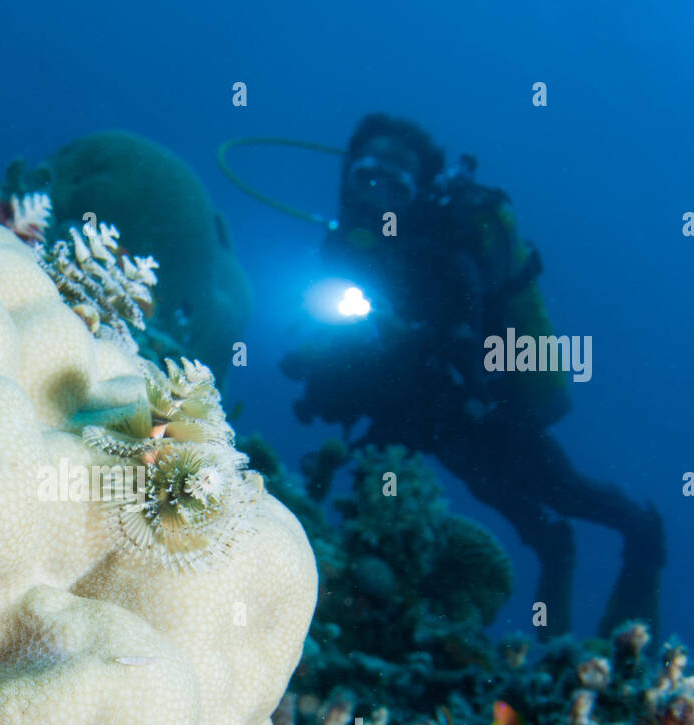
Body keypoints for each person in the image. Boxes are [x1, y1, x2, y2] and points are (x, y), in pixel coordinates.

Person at [282, 113, 665, 637]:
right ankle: (552, 627)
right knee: (535, 525)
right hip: (421, 424)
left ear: (417, 192)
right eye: (367, 177)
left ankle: (642, 540)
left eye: (395, 184)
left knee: (568, 495)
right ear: (347, 175)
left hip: (488, 409)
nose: (377, 196)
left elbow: (465, 341)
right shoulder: (344, 248)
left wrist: (408, 335)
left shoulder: (447, 250)